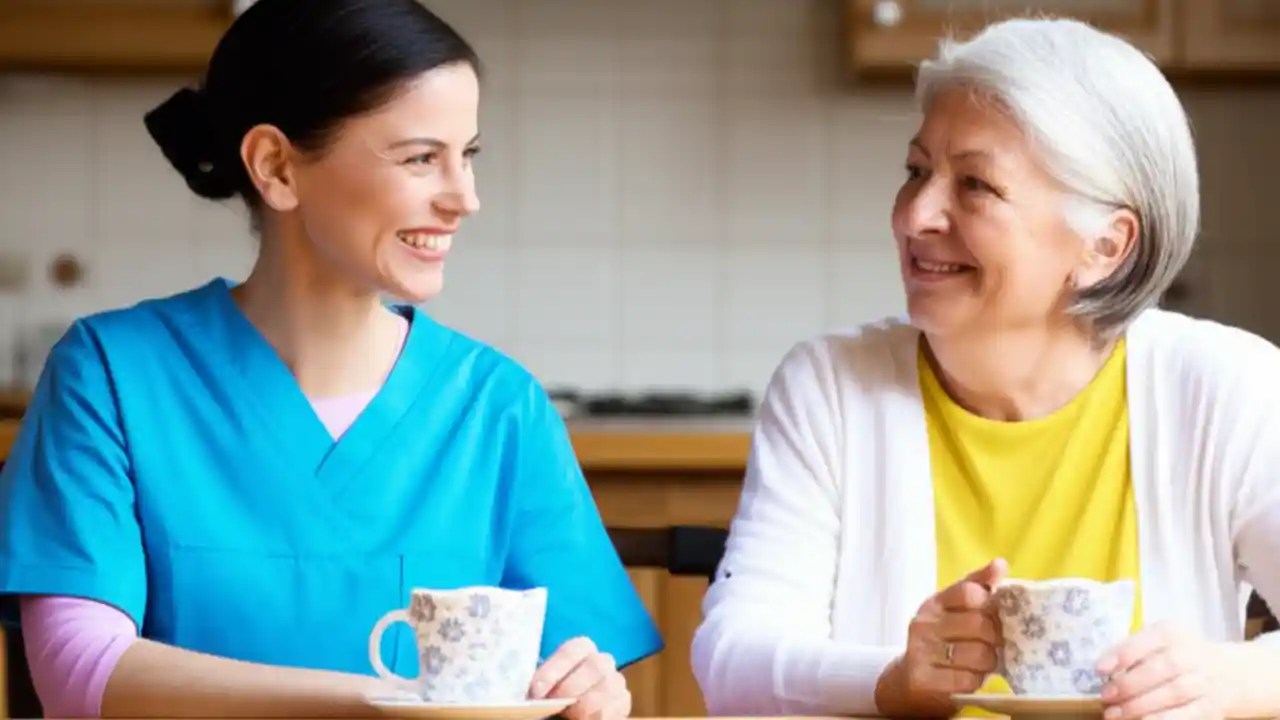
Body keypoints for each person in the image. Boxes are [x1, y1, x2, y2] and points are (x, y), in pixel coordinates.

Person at [0, 1, 661, 718]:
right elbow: (76, 674)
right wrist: (388, 704)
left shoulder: (499, 407)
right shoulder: (110, 377)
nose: (465, 198)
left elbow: (572, 669)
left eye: (466, 156)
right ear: (276, 167)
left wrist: (588, 690)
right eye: (420, 159)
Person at [692, 15, 1280, 720]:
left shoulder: (1224, 388)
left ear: (1106, 245)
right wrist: (894, 680)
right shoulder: (831, 387)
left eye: (974, 185)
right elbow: (731, 658)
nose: (916, 215)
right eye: (917, 172)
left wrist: (1230, 678)